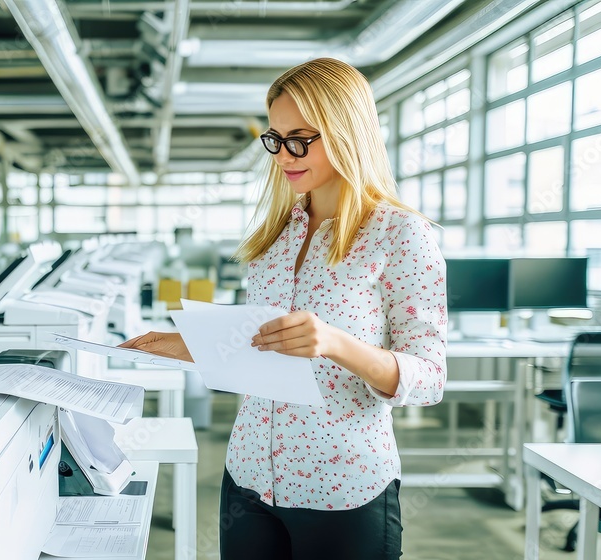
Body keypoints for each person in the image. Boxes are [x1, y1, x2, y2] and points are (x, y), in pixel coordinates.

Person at [119, 58, 447, 559]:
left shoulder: (400, 234)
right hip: (250, 481)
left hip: (344, 489)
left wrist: (336, 344)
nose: (283, 155)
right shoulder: (277, 236)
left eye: (300, 138)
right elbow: (258, 345)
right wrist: (165, 345)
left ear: (346, 131)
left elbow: (429, 377)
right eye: (275, 138)